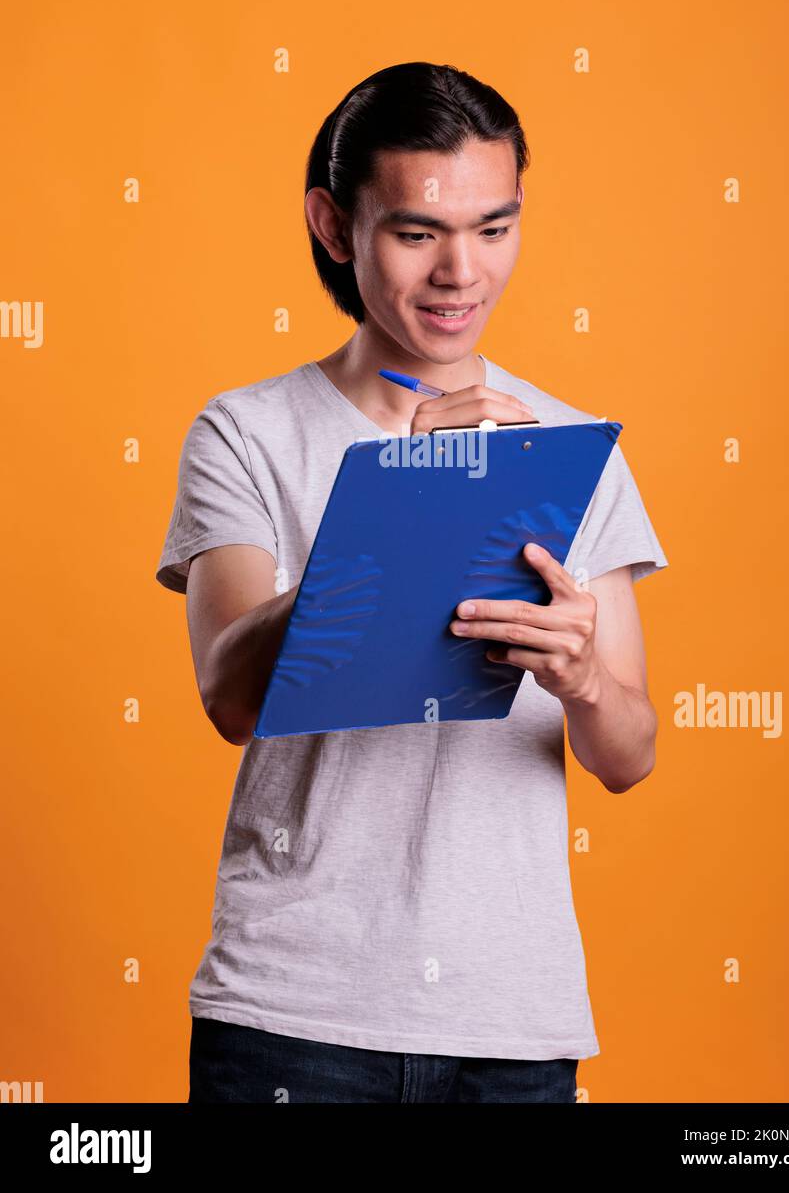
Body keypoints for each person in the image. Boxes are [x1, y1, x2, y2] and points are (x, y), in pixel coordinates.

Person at [155, 61, 669, 1104]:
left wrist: (580, 682)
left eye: (493, 226)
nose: (459, 272)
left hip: (510, 1018)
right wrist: (395, 509)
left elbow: (629, 753)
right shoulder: (246, 432)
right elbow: (229, 694)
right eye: (415, 231)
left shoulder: (572, 448)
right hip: (292, 1011)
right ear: (335, 226)